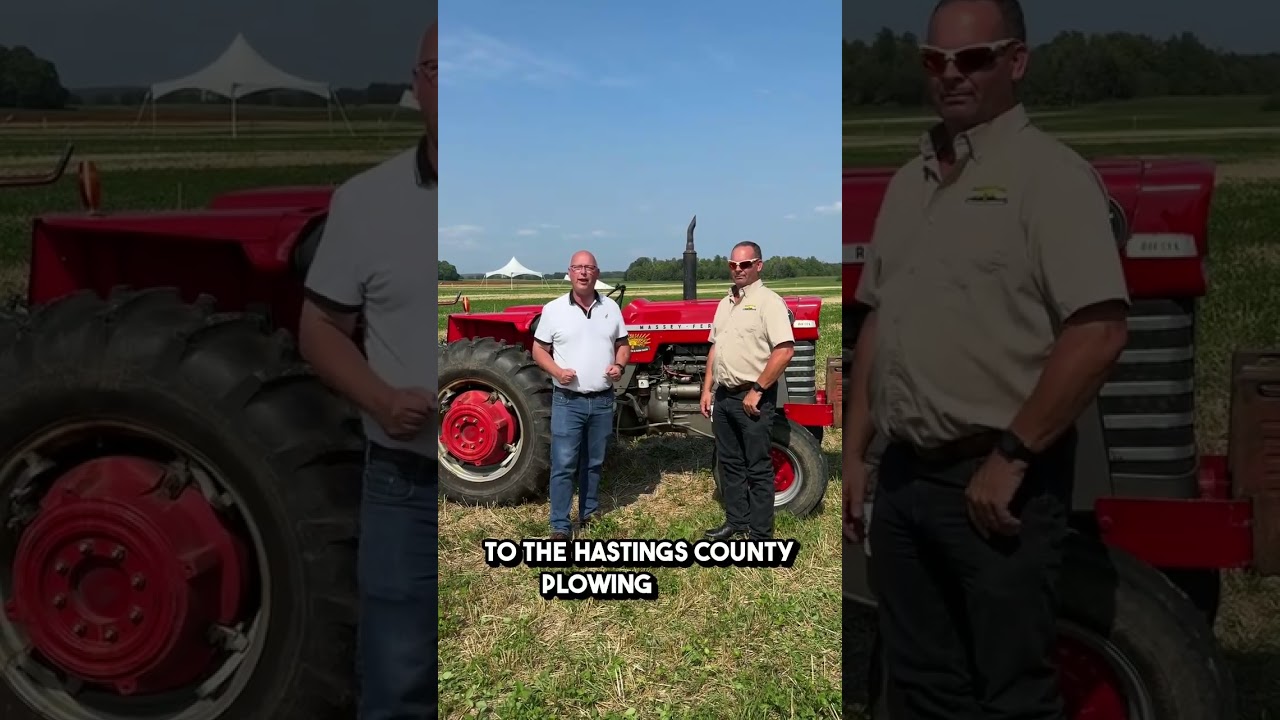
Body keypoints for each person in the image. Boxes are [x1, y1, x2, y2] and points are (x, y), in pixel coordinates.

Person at [844, 0, 1130, 717]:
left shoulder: (1049, 177)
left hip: (995, 486)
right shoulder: (911, 183)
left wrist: (1010, 459)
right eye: (933, 61)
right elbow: (881, 317)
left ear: (1016, 61)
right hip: (906, 479)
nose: (951, 75)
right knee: (922, 685)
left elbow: (1097, 332)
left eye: (971, 59)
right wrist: (854, 453)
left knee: (1012, 693)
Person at [296, 21, 438, 720]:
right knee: (399, 675)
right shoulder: (366, 202)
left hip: (521, 485)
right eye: (437, 71)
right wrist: (381, 401)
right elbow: (319, 330)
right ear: (417, 85)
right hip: (407, 483)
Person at [700, 241, 795, 541]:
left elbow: (784, 350)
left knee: (757, 466)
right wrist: (707, 389)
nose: (738, 270)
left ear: (758, 265)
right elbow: (716, 347)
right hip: (725, 396)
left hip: (752, 397)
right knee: (730, 464)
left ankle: (760, 534)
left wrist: (757, 390)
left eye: (744, 264)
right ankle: (737, 521)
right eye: (733, 265)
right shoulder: (725, 302)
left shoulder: (769, 302)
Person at [532, 251, 630, 540]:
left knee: (594, 461)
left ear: (597, 273)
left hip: (602, 400)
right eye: (578, 268)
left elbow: (623, 345)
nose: (583, 273)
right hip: (568, 401)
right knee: (563, 463)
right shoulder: (553, 310)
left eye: (589, 268)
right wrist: (557, 371)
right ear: (570, 273)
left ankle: (589, 512)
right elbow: (538, 350)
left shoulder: (611, 307)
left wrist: (620, 365)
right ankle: (560, 525)